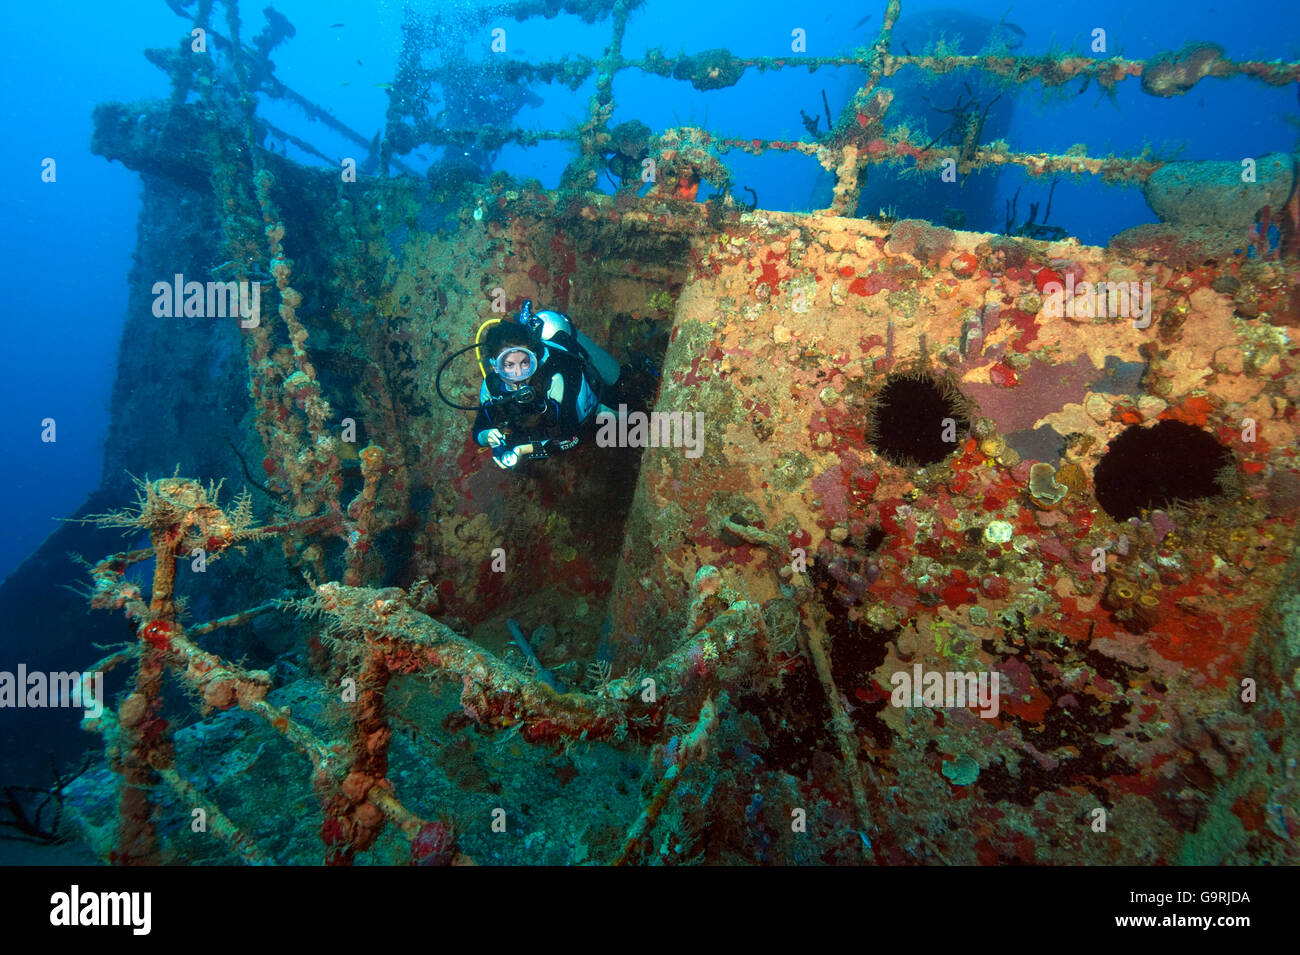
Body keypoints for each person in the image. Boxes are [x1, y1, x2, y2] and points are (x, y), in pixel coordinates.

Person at [473, 302, 612, 470]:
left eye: (525, 363)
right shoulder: (491, 387)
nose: (520, 375)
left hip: (597, 407)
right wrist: (486, 436)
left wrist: (523, 450)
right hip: (546, 428)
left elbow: (572, 437)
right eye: (509, 366)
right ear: (495, 367)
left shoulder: (553, 381)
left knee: (628, 413)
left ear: (534, 360)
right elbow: (478, 430)